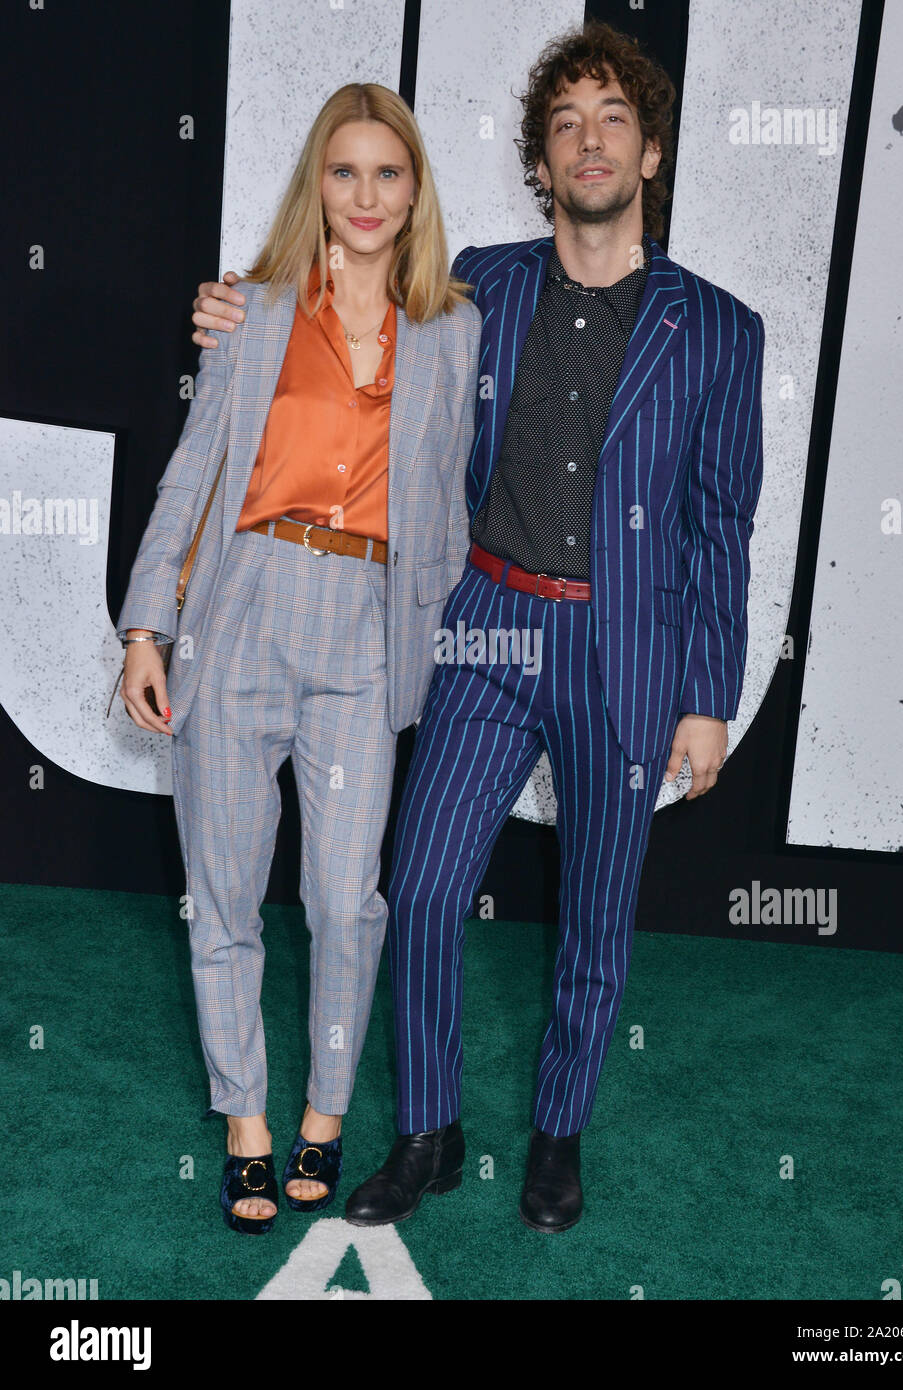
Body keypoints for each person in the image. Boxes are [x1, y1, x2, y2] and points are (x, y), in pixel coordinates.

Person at [192, 19, 764, 1234]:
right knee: (425, 886)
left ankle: (556, 1140)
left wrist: (708, 694)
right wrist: (233, 310)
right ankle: (426, 1135)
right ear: (537, 161)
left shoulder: (716, 331)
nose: (589, 141)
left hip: (625, 650)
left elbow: (720, 524)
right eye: (564, 124)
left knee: (594, 913)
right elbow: (342, 312)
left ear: (650, 152)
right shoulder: (476, 291)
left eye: (612, 120)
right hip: (485, 631)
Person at [117, 82, 480, 1234]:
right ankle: (247, 1121)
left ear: (414, 187)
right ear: (315, 185)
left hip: (366, 625)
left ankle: (324, 1113)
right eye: (343, 171)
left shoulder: (453, 324)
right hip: (242, 605)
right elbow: (192, 470)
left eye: (387, 172)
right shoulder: (255, 308)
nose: (365, 195)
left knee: (341, 899)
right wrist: (145, 625)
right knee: (220, 892)